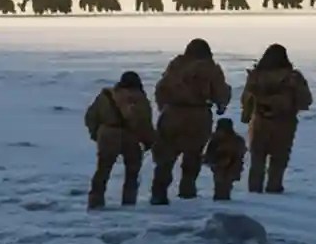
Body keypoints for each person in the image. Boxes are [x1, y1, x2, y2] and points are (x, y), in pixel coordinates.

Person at [150, 38, 232, 205]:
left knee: (165, 157)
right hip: (198, 116)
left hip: (172, 114)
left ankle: (159, 192)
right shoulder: (211, 69)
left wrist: (164, 108)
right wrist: (221, 105)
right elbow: (220, 92)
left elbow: (161, 89)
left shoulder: (175, 66)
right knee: (193, 155)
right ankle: (187, 192)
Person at [241, 44, 313, 194]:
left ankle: (254, 190)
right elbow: (306, 100)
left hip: (260, 122)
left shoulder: (256, 76)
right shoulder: (293, 77)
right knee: (279, 159)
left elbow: (247, 98)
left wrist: (247, 116)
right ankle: (274, 188)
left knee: (257, 159)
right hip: (284, 123)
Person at [84, 71, 155, 209]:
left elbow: (91, 116)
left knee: (103, 170)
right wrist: (148, 141)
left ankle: (95, 201)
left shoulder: (105, 96)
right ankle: (128, 203)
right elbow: (145, 123)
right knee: (132, 172)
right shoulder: (140, 99)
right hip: (131, 137)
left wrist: (97, 134)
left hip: (107, 134)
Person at [203, 117, 247, 201]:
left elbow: (240, 153)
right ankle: (221, 197)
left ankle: (222, 197)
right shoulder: (216, 139)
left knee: (224, 183)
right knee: (221, 183)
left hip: (231, 165)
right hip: (220, 165)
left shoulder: (234, 140)